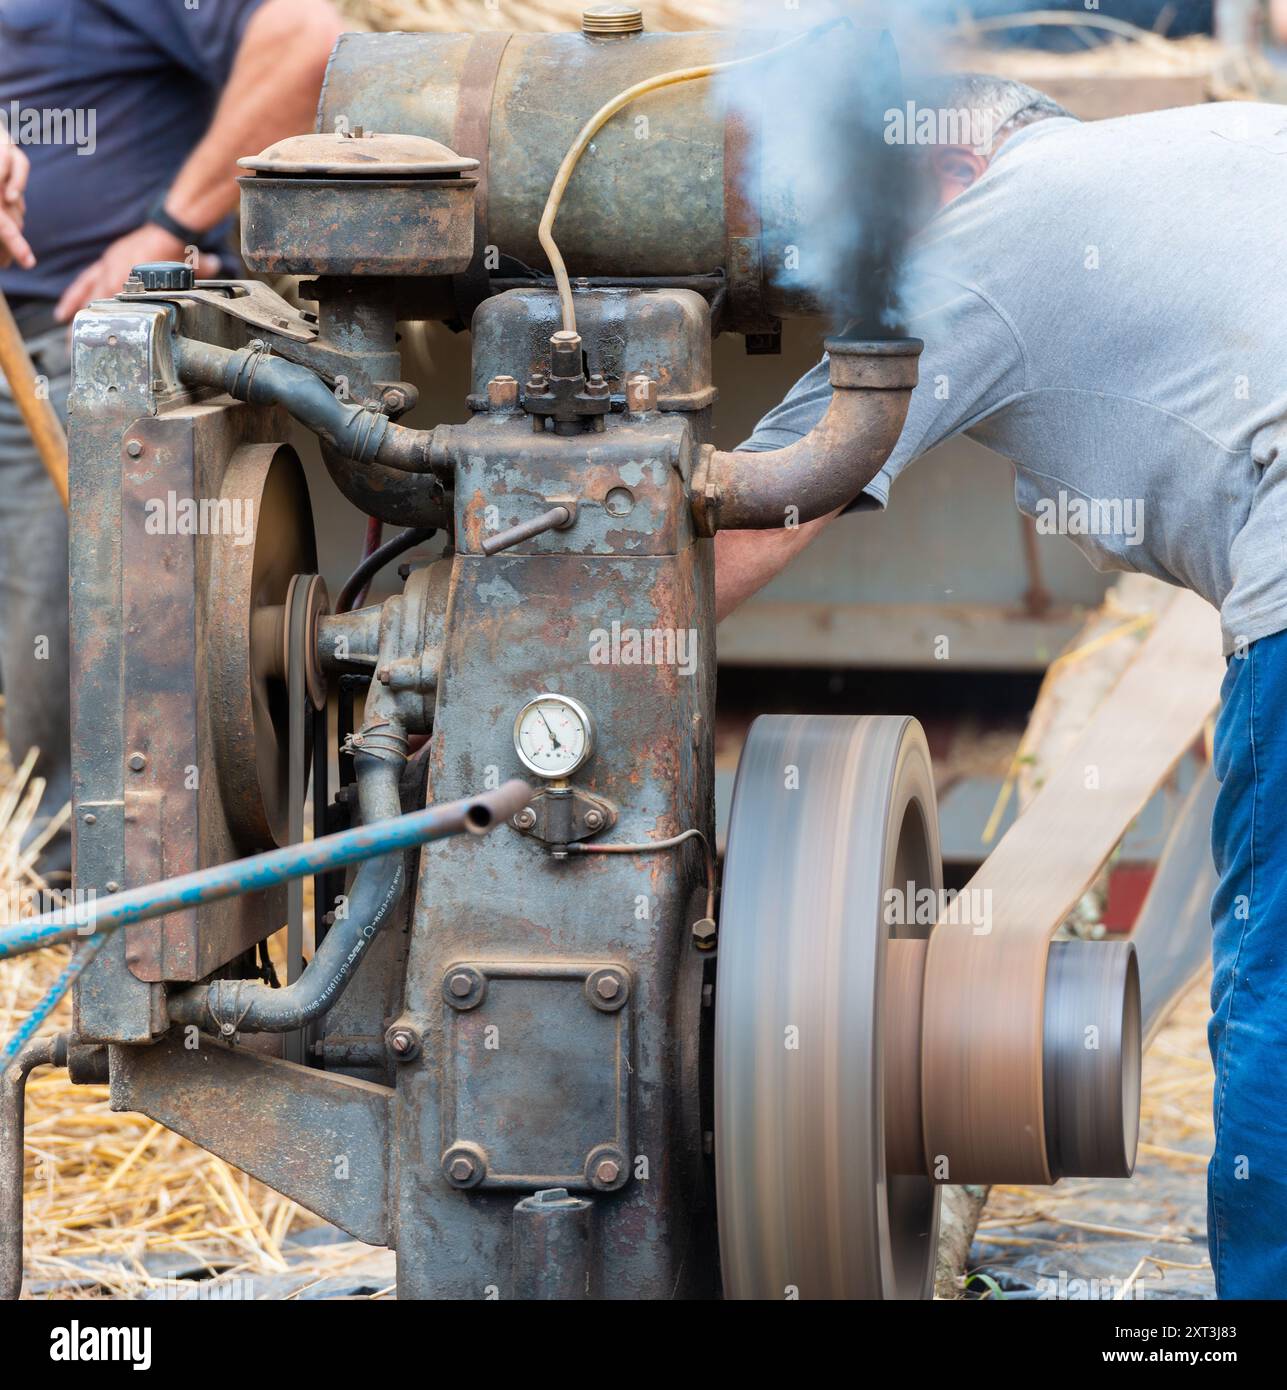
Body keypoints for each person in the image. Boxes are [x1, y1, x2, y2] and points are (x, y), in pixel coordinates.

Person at [718, 76, 1287, 1299]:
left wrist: (510, 675)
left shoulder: (981, 242)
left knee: (1282, 995)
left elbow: (752, 517)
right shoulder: (1193, 147)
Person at [0, 0, 345, 876]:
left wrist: (171, 228)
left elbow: (304, 38)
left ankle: (80, 903)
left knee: (70, 653)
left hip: (90, 337)